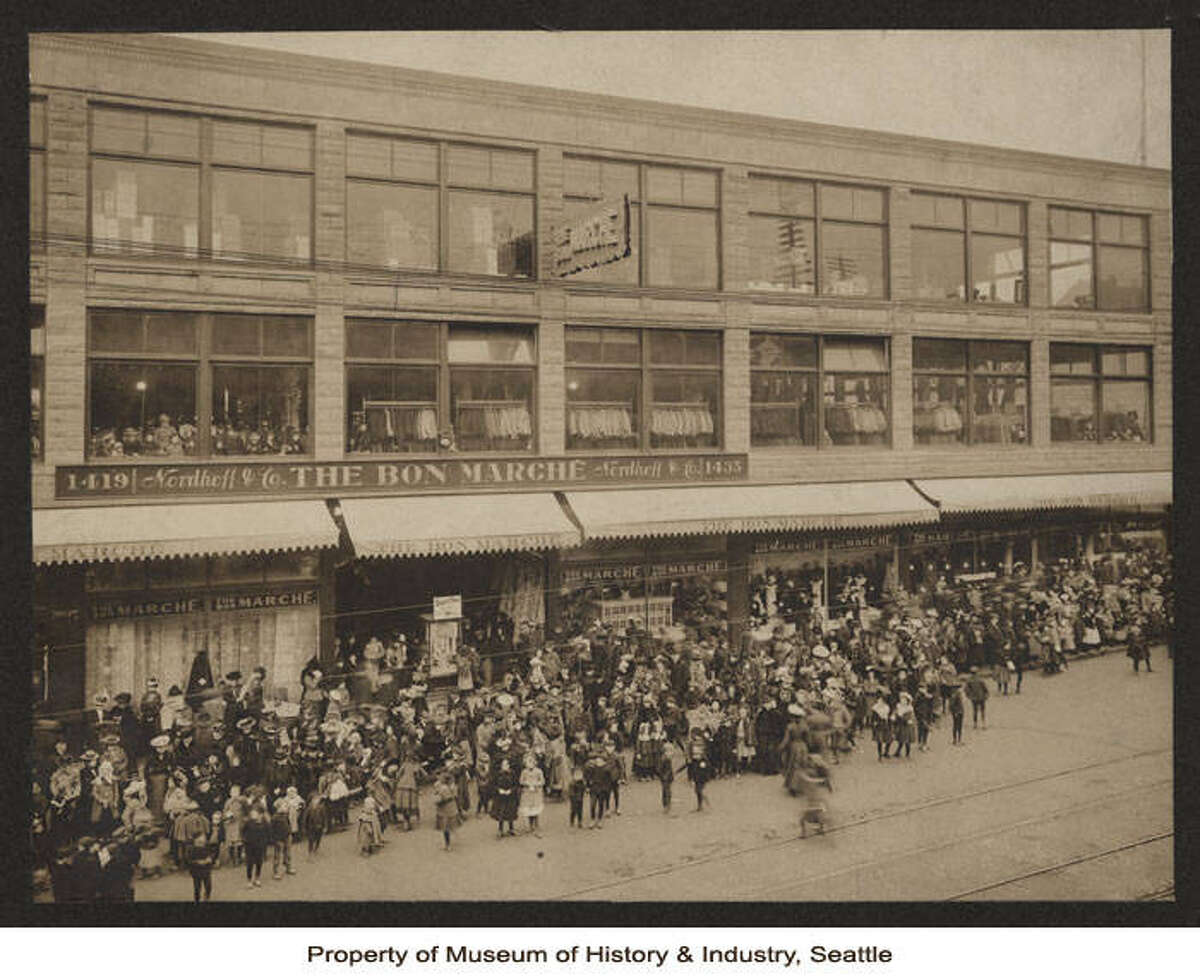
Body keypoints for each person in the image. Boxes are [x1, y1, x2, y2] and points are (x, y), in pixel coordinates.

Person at [491, 757, 519, 838]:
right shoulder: (498, 774)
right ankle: (500, 830)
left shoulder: (512, 774)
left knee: (511, 812)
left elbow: (516, 785)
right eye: (503, 765)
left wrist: (511, 790)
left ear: (509, 765)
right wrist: (499, 790)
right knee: (501, 813)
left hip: (511, 796)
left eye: (507, 764)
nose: (505, 766)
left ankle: (511, 829)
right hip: (500, 797)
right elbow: (493, 785)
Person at [242, 805, 269, 888]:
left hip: (260, 846)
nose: (252, 815)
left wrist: (265, 843)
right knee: (249, 863)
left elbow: (268, 833)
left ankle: (257, 878)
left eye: (255, 813)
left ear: (260, 814)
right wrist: (244, 843)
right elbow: (243, 832)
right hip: (249, 846)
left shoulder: (265, 823)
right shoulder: (248, 823)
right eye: (252, 813)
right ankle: (249, 879)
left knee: (259, 862)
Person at [518, 753, 545, 836]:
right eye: (528, 762)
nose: (530, 764)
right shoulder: (524, 772)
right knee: (528, 810)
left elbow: (542, 781)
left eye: (532, 762)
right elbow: (521, 781)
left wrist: (536, 784)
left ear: (535, 762)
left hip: (536, 793)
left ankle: (536, 826)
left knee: (535, 810)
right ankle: (529, 826)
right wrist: (527, 783)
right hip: (527, 793)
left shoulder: (539, 771)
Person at [185, 831, 216, 902]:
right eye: (200, 839)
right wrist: (197, 862)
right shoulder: (192, 849)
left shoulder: (207, 846)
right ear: (195, 840)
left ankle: (207, 896)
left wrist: (210, 858)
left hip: (206, 869)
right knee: (197, 887)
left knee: (208, 885)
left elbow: (213, 853)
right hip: (196, 871)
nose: (202, 840)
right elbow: (188, 860)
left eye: (203, 838)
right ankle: (197, 898)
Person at [433, 771, 459, 851]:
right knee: (449, 826)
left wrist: (436, 798)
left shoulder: (443, 788)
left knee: (445, 828)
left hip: (444, 809)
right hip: (452, 808)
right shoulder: (453, 787)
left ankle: (447, 844)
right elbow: (455, 796)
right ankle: (449, 843)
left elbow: (439, 799)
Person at [269, 796, 294, 880]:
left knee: (288, 854)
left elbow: (288, 824)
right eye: (284, 806)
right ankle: (276, 872)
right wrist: (274, 840)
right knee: (277, 856)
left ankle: (288, 867)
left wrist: (290, 832)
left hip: (287, 837)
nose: (286, 807)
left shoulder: (285, 815)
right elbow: (271, 830)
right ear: (278, 807)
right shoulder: (274, 818)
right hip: (278, 839)